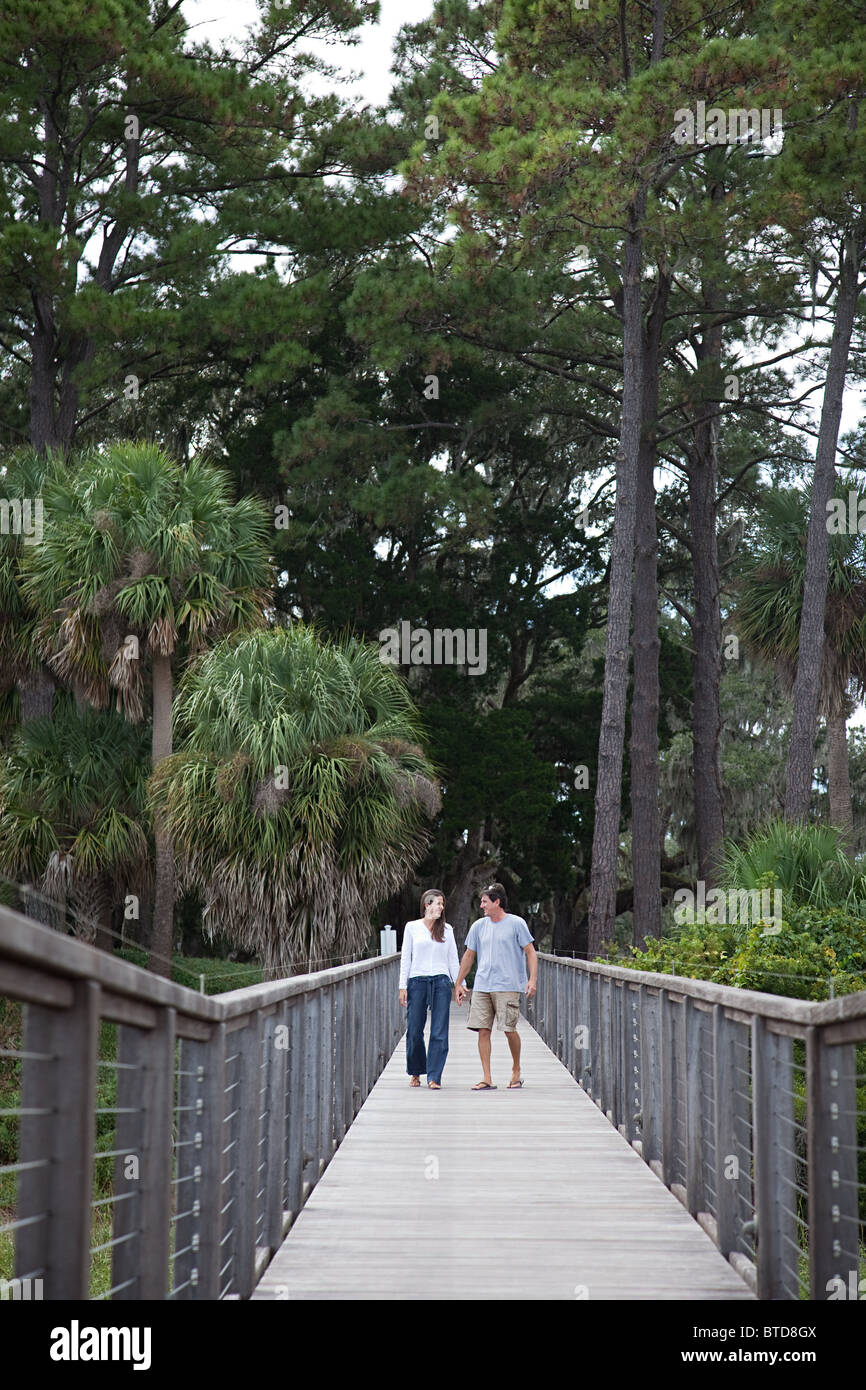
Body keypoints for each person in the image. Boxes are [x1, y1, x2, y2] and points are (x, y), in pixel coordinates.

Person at [454, 882, 537, 1090]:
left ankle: (516, 1070)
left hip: (508, 985)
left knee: (509, 1029)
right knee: (483, 1030)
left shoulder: (516, 923)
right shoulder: (478, 926)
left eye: (484, 902)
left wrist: (532, 979)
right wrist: (458, 983)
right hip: (482, 985)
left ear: (497, 902)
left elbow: (530, 952)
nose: (481, 906)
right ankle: (487, 1077)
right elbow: (469, 955)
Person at [399, 889, 459, 1089]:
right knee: (415, 1030)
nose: (441, 908)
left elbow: (453, 959)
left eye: (443, 904)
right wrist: (402, 986)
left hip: (441, 982)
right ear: (427, 905)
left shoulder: (447, 930)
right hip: (417, 981)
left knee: (439, 1031)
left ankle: (434, 1077)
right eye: (437, 904)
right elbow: (406, 958)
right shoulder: (412, 927)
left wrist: (460, 984)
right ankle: (416, 1071)